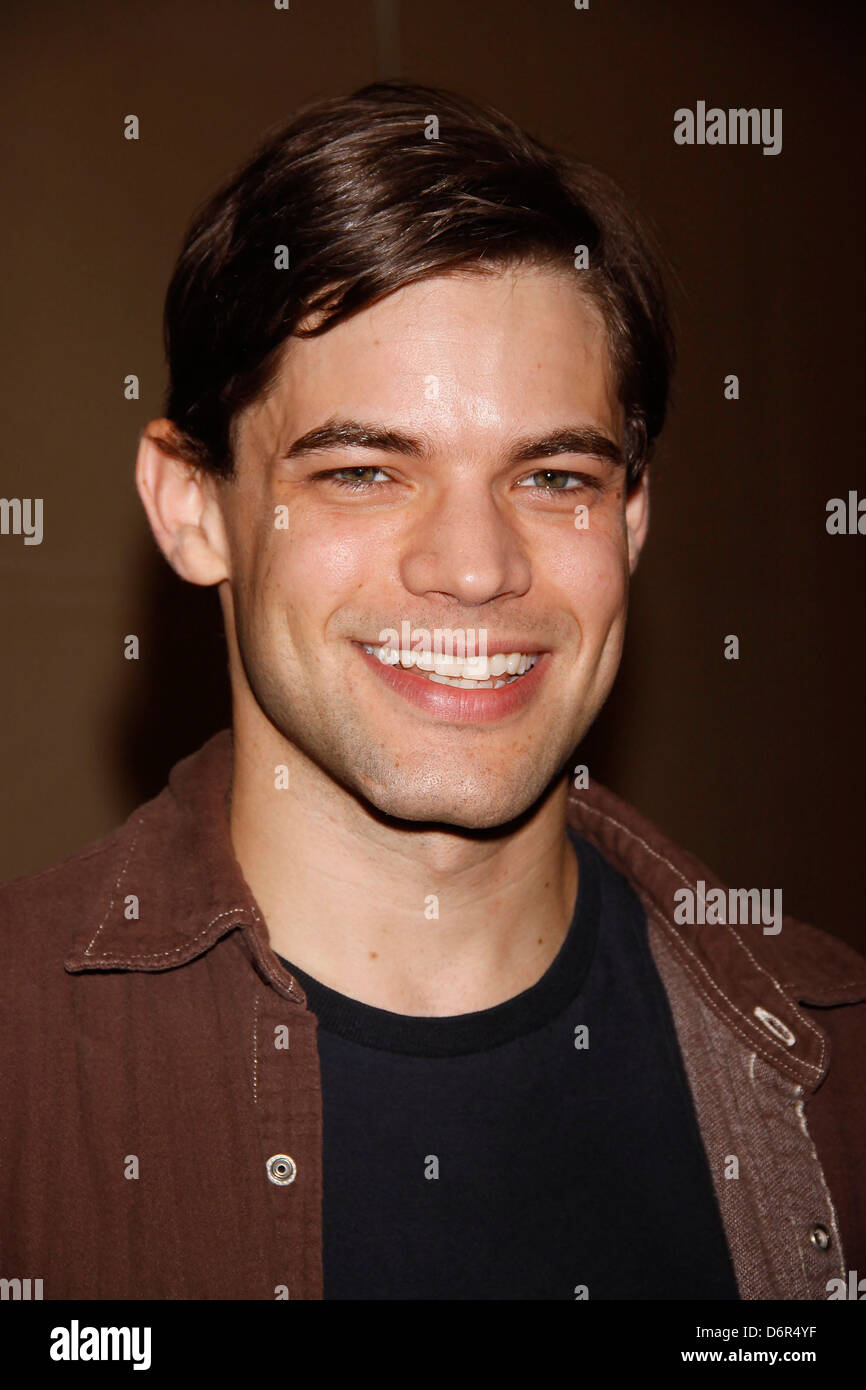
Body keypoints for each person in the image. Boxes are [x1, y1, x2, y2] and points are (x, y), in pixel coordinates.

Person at [2, 80, 864, 1302]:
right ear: (194, 508)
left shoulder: (834, 1062)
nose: (475, 567)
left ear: (628, 522)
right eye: (362, 471)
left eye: (553, 475)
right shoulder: (19, 1071)